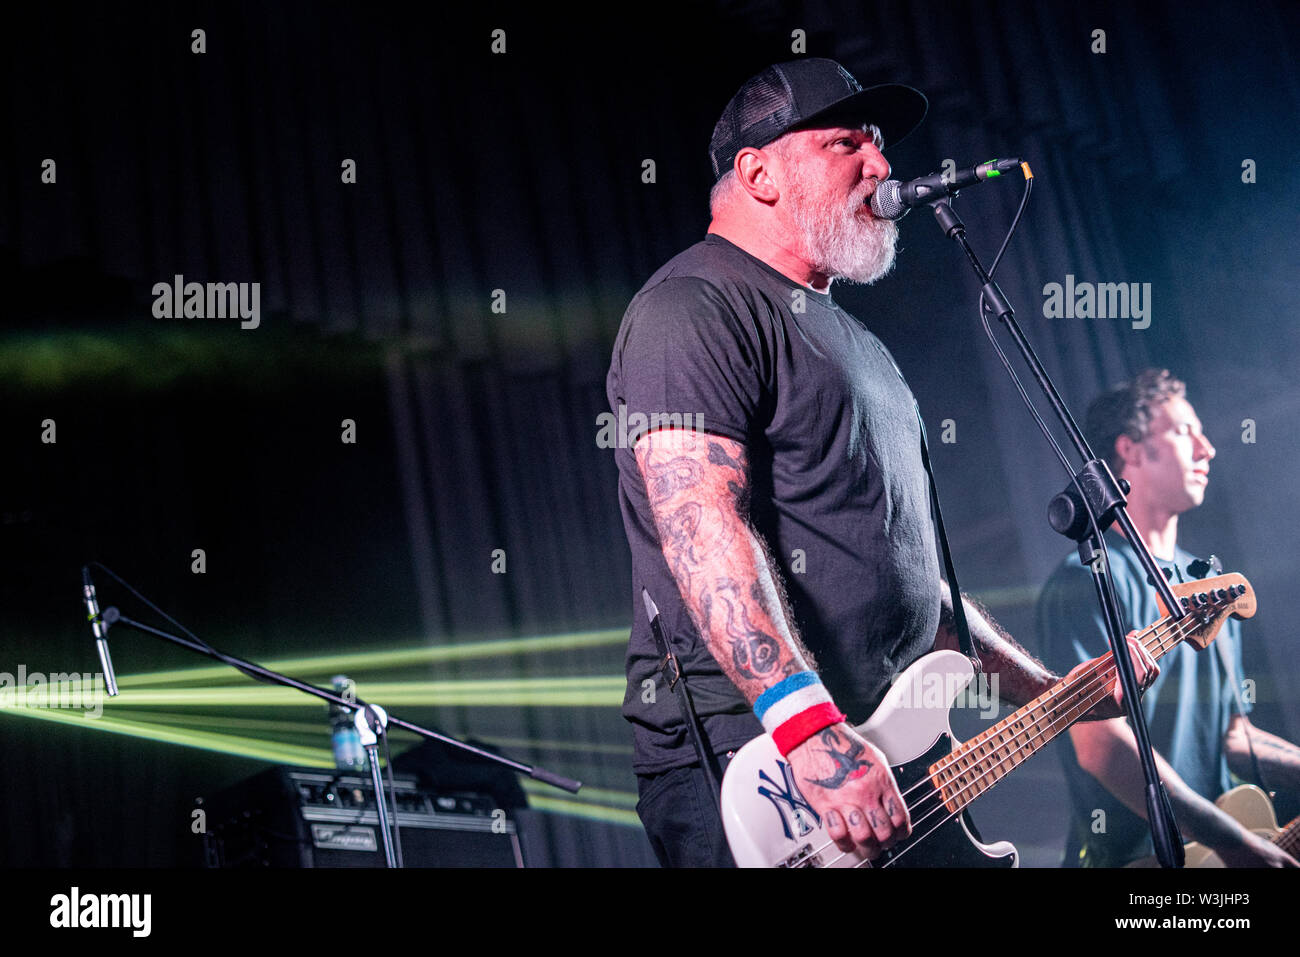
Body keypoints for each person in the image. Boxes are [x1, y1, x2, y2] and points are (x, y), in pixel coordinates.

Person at [605, 58, 1154, 868]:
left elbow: (908, 575)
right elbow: (700, 525)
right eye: (845, 143)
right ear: (758, 174)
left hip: (888, 748)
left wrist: (1056, 694)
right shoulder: (691, 307)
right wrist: (809, 729)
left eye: (880, 144)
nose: (882, 164)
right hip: (763, 761)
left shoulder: (858, 345)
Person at [1037, 369, 1300, 867]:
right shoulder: (1089, 578)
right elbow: (1101, 747)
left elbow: (1230, 736)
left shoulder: (1208, 585)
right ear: (1130, 450)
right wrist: (1236, 843)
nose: (1208, 449)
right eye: (1184, 431)